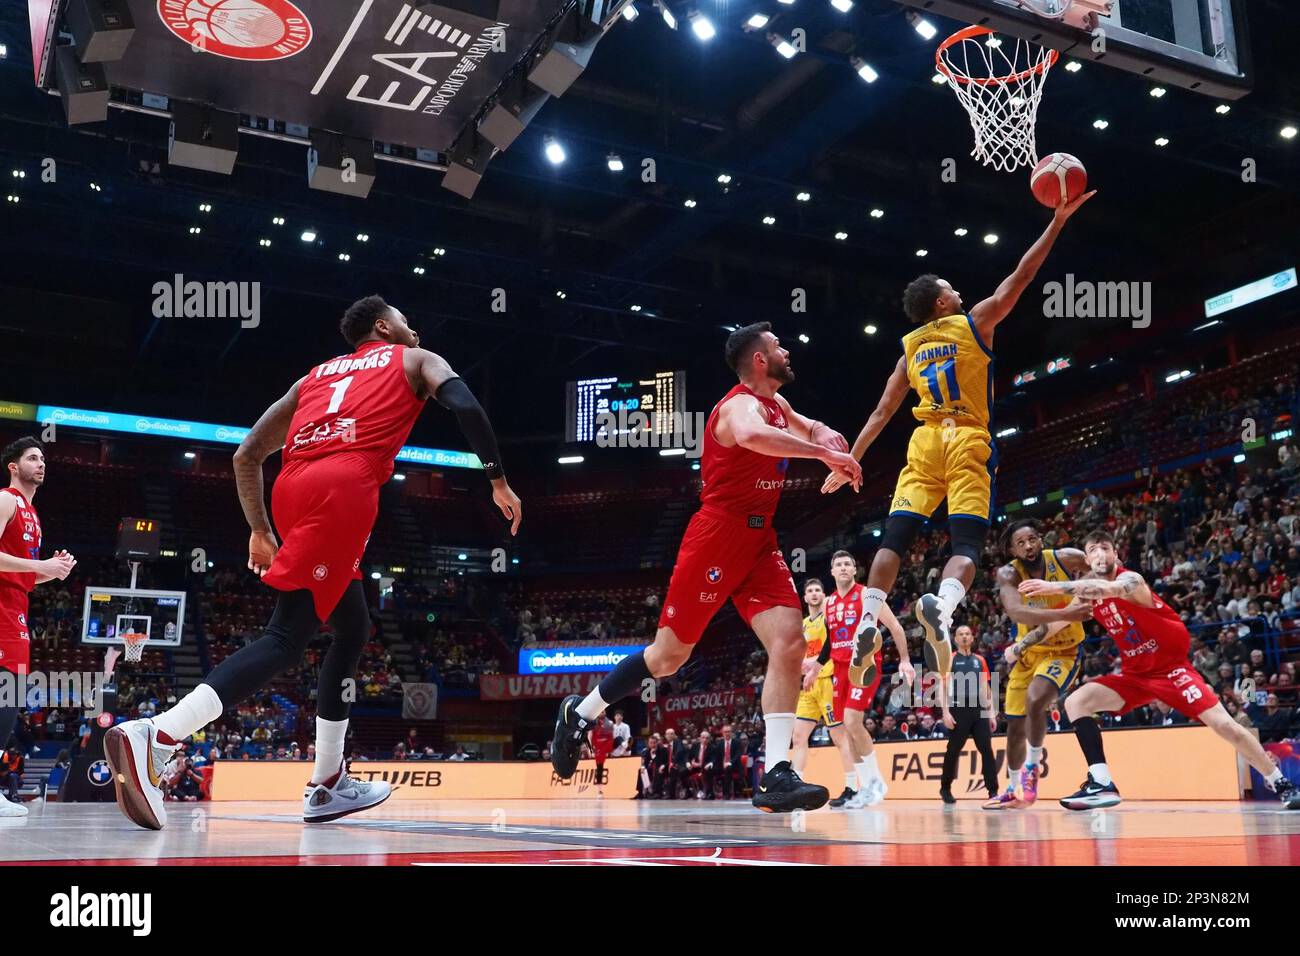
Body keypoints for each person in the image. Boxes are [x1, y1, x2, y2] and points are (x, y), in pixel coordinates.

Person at [104, 296, 522, 830]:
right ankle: (158, 734)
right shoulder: (416, 360)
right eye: (406, 319)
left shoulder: (315, 377)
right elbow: (466, 405)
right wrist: (497, 479)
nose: (413, 327)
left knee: (353, 627)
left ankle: (328, 782)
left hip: (292, 487)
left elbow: (246, 453)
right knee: (287, 636)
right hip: (344, 487)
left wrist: (260, 529)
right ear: (383, 326)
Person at [550, 323, 860, 813]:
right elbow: (755, 437)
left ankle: (776, 772)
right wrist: (822, 452)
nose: (787, 349)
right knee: (669, 657)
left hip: (759, 540)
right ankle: (582, 713)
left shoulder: (778, 405)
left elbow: (806, 424)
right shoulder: (738, 406)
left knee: (790, 640)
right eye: (778, 345)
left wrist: (824, 434)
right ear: (759, 359)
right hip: (717, 537)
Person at [822, 191, 1096, 687]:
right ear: (942, 302)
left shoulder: (909, 351)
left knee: (896, 536)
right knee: (967, 540)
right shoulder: (976, 323)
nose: (960, 292)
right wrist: (1056, 223)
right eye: (952, 289)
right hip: (968, 438)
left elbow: (882, 411)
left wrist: (848, 461)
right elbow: (1024, 275)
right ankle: (944, 610)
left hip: (924, 441)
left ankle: (869, 619)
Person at [1019, 530, 1300, 810]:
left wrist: (1054, 587)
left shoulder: (1131, 580)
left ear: (1116, 554)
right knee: (1076, 701)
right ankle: (1102, 783)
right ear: (1087, 559)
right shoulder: (1085, 594)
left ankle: (1280, 782)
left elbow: (1110, 590)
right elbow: (1056, 623)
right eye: (1092, 550)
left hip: (1171, 669)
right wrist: (1020, 646)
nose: (1099, 554)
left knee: (1224, 725)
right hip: (1135, 675)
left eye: (1105, 548)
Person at [987, 519, 1093, 809]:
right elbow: (1018, 612)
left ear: (1041, 539)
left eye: (1032, 539)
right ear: (1011, 549)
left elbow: (1105, 564)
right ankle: (1011, 787)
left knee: (1036, 700)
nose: (1029, 546)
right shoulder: (1009, 572)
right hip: (1027, 653)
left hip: (1062, 651)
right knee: (1014, 727)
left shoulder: (1065, 558)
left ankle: (1032, 770)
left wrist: (1086, 588)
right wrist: (1069, 613)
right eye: (1020, 543)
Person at [0, 437, 77, 819]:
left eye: (43, 458)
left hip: (16, 607)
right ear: (13, 466)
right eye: (33, 458)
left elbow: (25, 578)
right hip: (1, 611)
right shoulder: (6, 500)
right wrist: (41, 566)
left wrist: (52, 570)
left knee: (10, 699)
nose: (41, 463)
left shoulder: (33, 513)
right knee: (8, 697)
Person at [812, 551, 913, 808]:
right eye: (839, 565)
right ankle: (865, 787)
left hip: (864, 665)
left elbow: (895, 627)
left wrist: (904, 660)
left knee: (852, 721)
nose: (844, 568)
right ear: (832, 572)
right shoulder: (828, 602)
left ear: (855, 570)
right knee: (846, 729)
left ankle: (876, 781)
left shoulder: (869, 595)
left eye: (848, 564)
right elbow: (830, 641)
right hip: (839, 669)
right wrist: (816, 667)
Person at [791, 577, 856, 804]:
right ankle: (796, 788)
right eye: (810, 591)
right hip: (808, 686)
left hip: (828, 680)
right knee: (798, 737)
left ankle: (851, 787)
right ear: (805, 597)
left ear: (824, 594)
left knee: (839, 736)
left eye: (818, 589)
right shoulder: (803, 624)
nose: (815, 593)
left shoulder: (831, 616)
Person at [939, 626, 998, 804]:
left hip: (979, 710)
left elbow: (986, 688)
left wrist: (992, 713)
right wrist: (945, 713)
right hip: (958, 709)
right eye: (960, 634)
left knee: (986, 750)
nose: (964, 637)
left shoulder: (980, 660)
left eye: (967, 634)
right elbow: (943, 688)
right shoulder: (949, 660)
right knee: (953, 750)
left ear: (972, 638)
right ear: (955, 639)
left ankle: (993, 791)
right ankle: (945, 788)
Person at [588, 715, 614, 797]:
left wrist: (609, 749)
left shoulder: (609, 723)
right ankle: (599, 791)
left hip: (607, 747)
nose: (602, 712)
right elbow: (590, 736)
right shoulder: (593, 724)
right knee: (599, 768)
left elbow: (612, 737)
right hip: (598, 749)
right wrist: (590, 749)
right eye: (601, 711)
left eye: (604, 711)